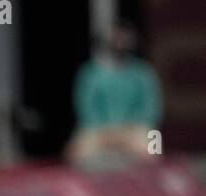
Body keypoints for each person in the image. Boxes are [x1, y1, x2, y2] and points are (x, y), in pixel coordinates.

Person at [66, 22, 162, 171]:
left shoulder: (143, 72)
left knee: (154, 146)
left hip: (133, 129)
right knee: (75, 153)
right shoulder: (90, 73)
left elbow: (150, 109)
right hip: (98, 130)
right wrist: (108, 133)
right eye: (115, 39)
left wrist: (126, 131)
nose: (120, 43)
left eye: (124, 40)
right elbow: (85, 108)